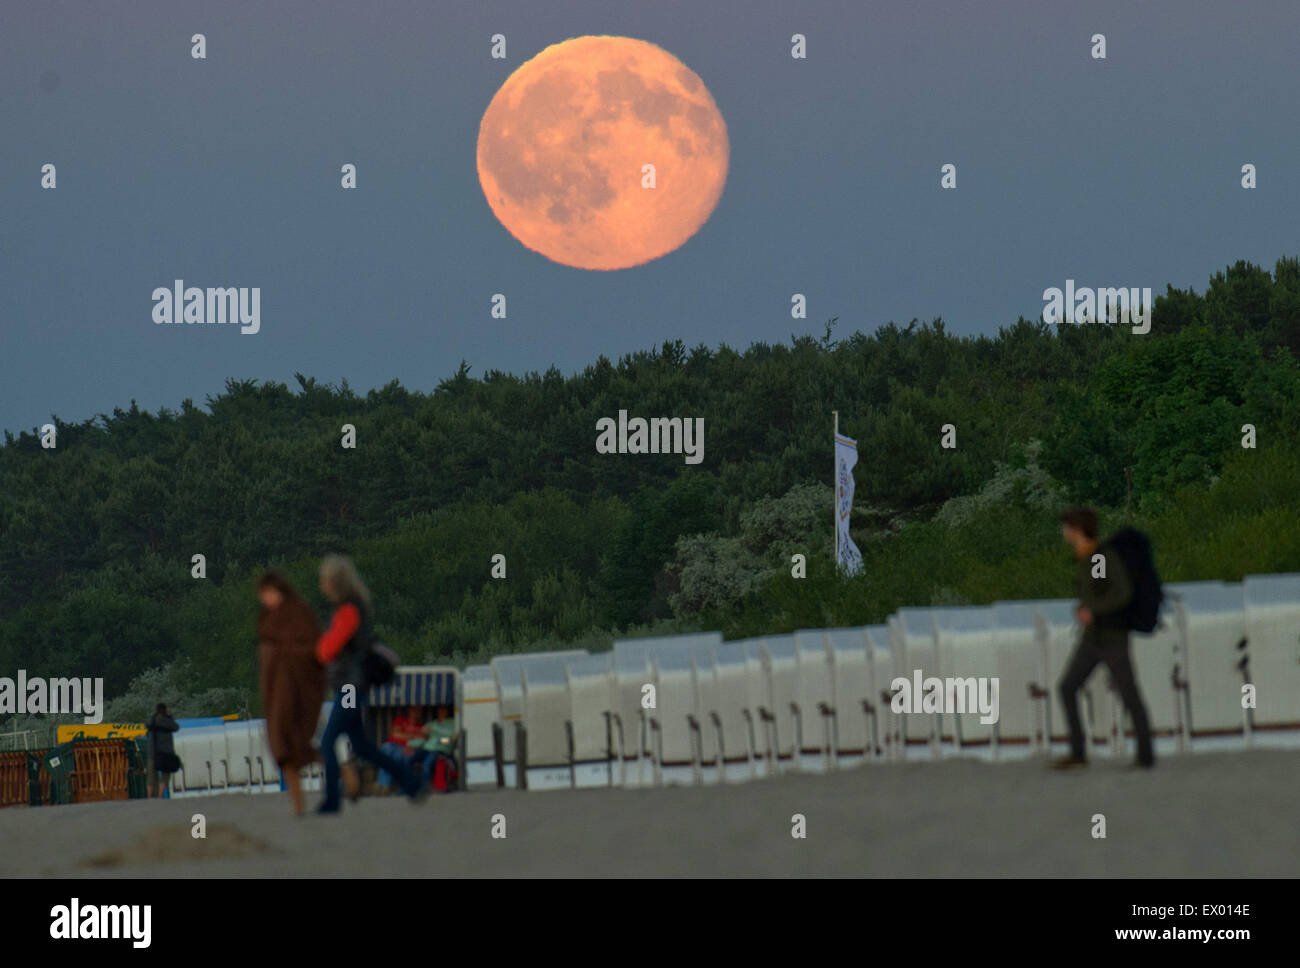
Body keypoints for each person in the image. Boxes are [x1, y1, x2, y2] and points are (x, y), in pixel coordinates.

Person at [314, 555, 425, 812]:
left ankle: (331, 801)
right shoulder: (354, 608)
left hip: (350, 686)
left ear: (335, 582)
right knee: (363, 747)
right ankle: (413, 784)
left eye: (325, 581)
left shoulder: (348, 611)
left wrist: (318, 646)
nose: (322, 586)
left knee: (328, 742)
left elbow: (327, 651)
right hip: (353, 685)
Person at [1054, 507, 1156, 770]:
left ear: (1077, 529)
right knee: (1067, 687)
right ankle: (1078, 753)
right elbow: (1100, 592)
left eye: (1066, 527)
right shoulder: (1086, 558)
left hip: (1111, 638)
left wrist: (1093, 611)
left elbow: (1119, 593)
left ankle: (1145, 756)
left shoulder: (1098, 559)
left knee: (1129, 693)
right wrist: (1086, 608)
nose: (1063, 532)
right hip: (1093, 639)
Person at [257, 570, 326, 816]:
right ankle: (298, 805)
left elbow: (313, 650)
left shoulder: (299, 613)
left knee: (298, 745)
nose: (267, 598)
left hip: (299, 692)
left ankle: (341, 771)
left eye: (270, 593)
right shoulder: (267, 619)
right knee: (282, 749)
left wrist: (287, 656)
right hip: (276, 694)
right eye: (264, 594)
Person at [376, 705, 425, 793]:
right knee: (386, 749)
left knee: (394, 758)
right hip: (392, 745)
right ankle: (385, 785)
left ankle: (383, 786)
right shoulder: (400, 720)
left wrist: (406, 737)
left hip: (404, 749)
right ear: (409, 710)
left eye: (419, 711)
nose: (416, 713)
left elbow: (422, 740)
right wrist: (413, 736)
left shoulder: (421, 727)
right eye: (414, 710)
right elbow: (395, 734)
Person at [412, 704, 459, 789]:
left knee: (426, 764)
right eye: (440, 710)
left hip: (441, 749)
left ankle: (424, 788)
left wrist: (437, 735)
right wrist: (410, 745)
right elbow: (424, 737)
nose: (441, 712)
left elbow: (452, 739)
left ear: (447, 711)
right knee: (408, 760)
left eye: (444, 710)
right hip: (426, 747)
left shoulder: (452, 722)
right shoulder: (433, 723)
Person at [146, 702, 181, 797]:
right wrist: (170, 717)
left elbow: (147, 724)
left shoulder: (152, 721)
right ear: (165, 710)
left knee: (151, 776)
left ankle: (149, 796)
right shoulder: (167, 721)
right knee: (165, 775)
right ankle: (160, 795)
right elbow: (176, 727)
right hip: (166, 752)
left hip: (152, 752)